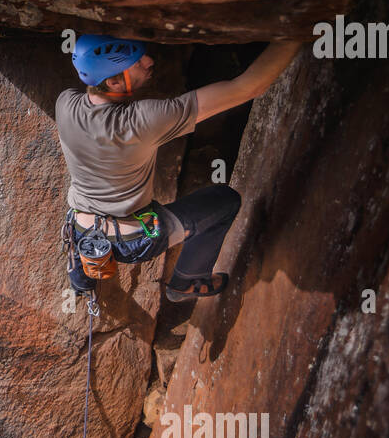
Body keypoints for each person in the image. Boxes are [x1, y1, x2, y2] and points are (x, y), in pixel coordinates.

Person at [57, 35, 303, 301]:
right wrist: (294, 36)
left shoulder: (65, 103)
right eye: (137, 62)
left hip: (80, 228)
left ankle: (81, 282)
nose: (149, 61)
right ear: (115, 81)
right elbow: (246, 88)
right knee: (224, 200)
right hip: (134, 240)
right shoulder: (144, 120)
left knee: (83, 232)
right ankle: (185, 283)